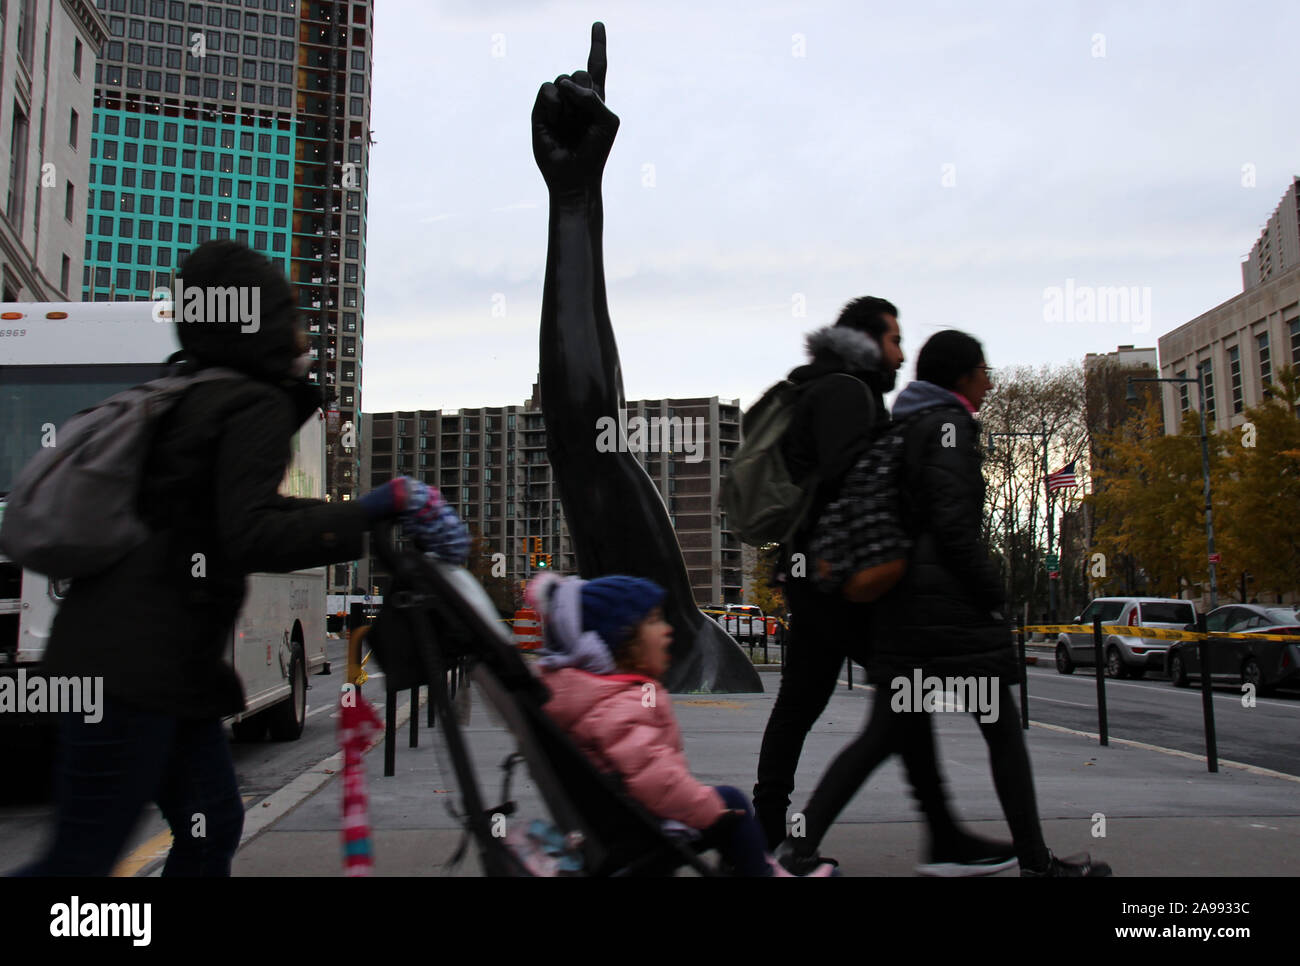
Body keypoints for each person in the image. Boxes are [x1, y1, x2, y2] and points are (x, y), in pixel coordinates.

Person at [13, 240, 468, 877]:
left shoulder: (189, 391)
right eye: (291, 314)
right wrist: (373, 512)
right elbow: (250, 533)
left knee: (210, 825)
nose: (304, 330)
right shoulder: (250, 402)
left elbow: (239, 515)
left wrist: (369, 512)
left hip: (146, 668)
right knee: (84, 860)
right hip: (137, 672)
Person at [777, 330, 1112, 877]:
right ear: (960, 375)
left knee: (884, 734)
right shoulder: (949, 427)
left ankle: (798, 846)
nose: (988, 379)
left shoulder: (906, 426)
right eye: (983, 369)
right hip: (948, 617)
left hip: (903, 615)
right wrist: (993, 594)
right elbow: (953, 529)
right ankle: (1035, 863)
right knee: (1000, 731)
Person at [530, 22, 758, 692]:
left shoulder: (680, 651)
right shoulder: (674, 650)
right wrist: (572, 201)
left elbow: (585, 448)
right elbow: (583, 448)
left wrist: (572, 202)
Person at [751, 299, 1013, 874]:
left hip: (813, 574)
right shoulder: (848, 393)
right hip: (841, 578)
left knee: (817, 701)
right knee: (900, 700)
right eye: (894, 339)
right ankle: (934, 836)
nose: (900, 351)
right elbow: (854, 487)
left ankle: (775, 829)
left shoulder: (823, 386)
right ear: (869, 342)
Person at [527, 571, 834, 877]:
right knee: (734, 809)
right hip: (640, 829)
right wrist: (708, 812)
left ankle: (749, 865)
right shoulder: (616, 708)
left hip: (623, 819)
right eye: (653, 621)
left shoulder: (609, 696)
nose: (667, 630)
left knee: (729, 799)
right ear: (621, 643)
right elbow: (657, 781)